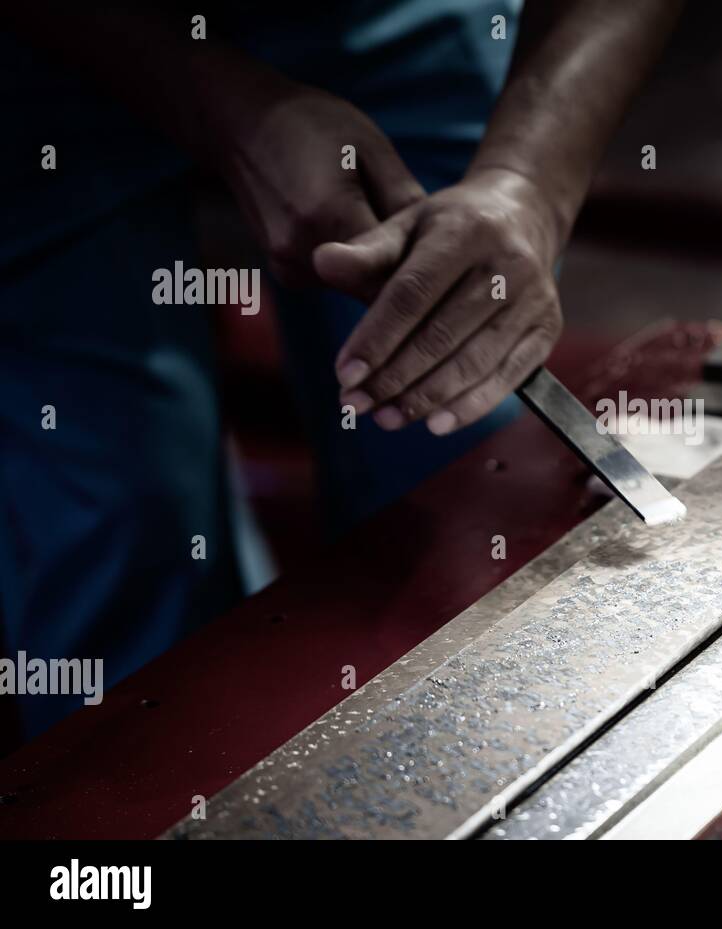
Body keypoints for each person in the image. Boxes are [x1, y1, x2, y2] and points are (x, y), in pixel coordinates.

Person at [0, 0, 681, 739]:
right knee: (123, 533)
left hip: (391, 18)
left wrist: (527, 186)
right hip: (43, 64)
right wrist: (223, 112)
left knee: (461, 491)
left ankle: (460, 764)